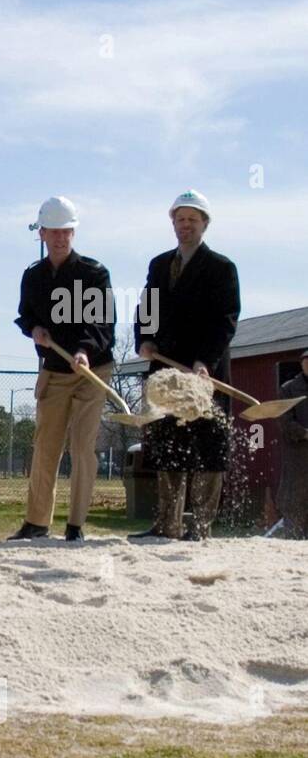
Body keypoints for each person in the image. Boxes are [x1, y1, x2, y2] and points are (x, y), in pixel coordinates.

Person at [132, 190, 240, 541]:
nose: (185, 226)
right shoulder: (160, 264)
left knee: (207, 447)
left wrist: (204, 362)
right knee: (167, 445)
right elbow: (147, 307)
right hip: (166, 373)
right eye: (180, 219)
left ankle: (201, 526)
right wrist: (144, 340)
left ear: (204, 224)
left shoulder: (222, 268)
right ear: (173, 223)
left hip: (203, 373)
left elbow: (226, 320)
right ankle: (167, 524)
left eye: (193, 220)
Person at [9, 197, 115, 543]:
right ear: (41, 233)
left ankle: (76, 526)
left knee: (82, 447)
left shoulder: (94, 273)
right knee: (45, 446)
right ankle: (37, 522)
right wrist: (34, 330)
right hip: (54, 371)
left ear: (73, 233)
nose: (60, 238)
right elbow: (25, 315)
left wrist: (84, 351)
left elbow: (103, 324)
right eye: (53, 232)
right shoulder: (33, 276)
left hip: (92, 370)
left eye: (66, 231)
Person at [276, 350, 308, 539]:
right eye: (306, 362)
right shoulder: (288, 389)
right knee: (295, 501)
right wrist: (304, 433)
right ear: (302, 365)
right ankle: (293, 542)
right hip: (298, 457)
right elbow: (284, 422)